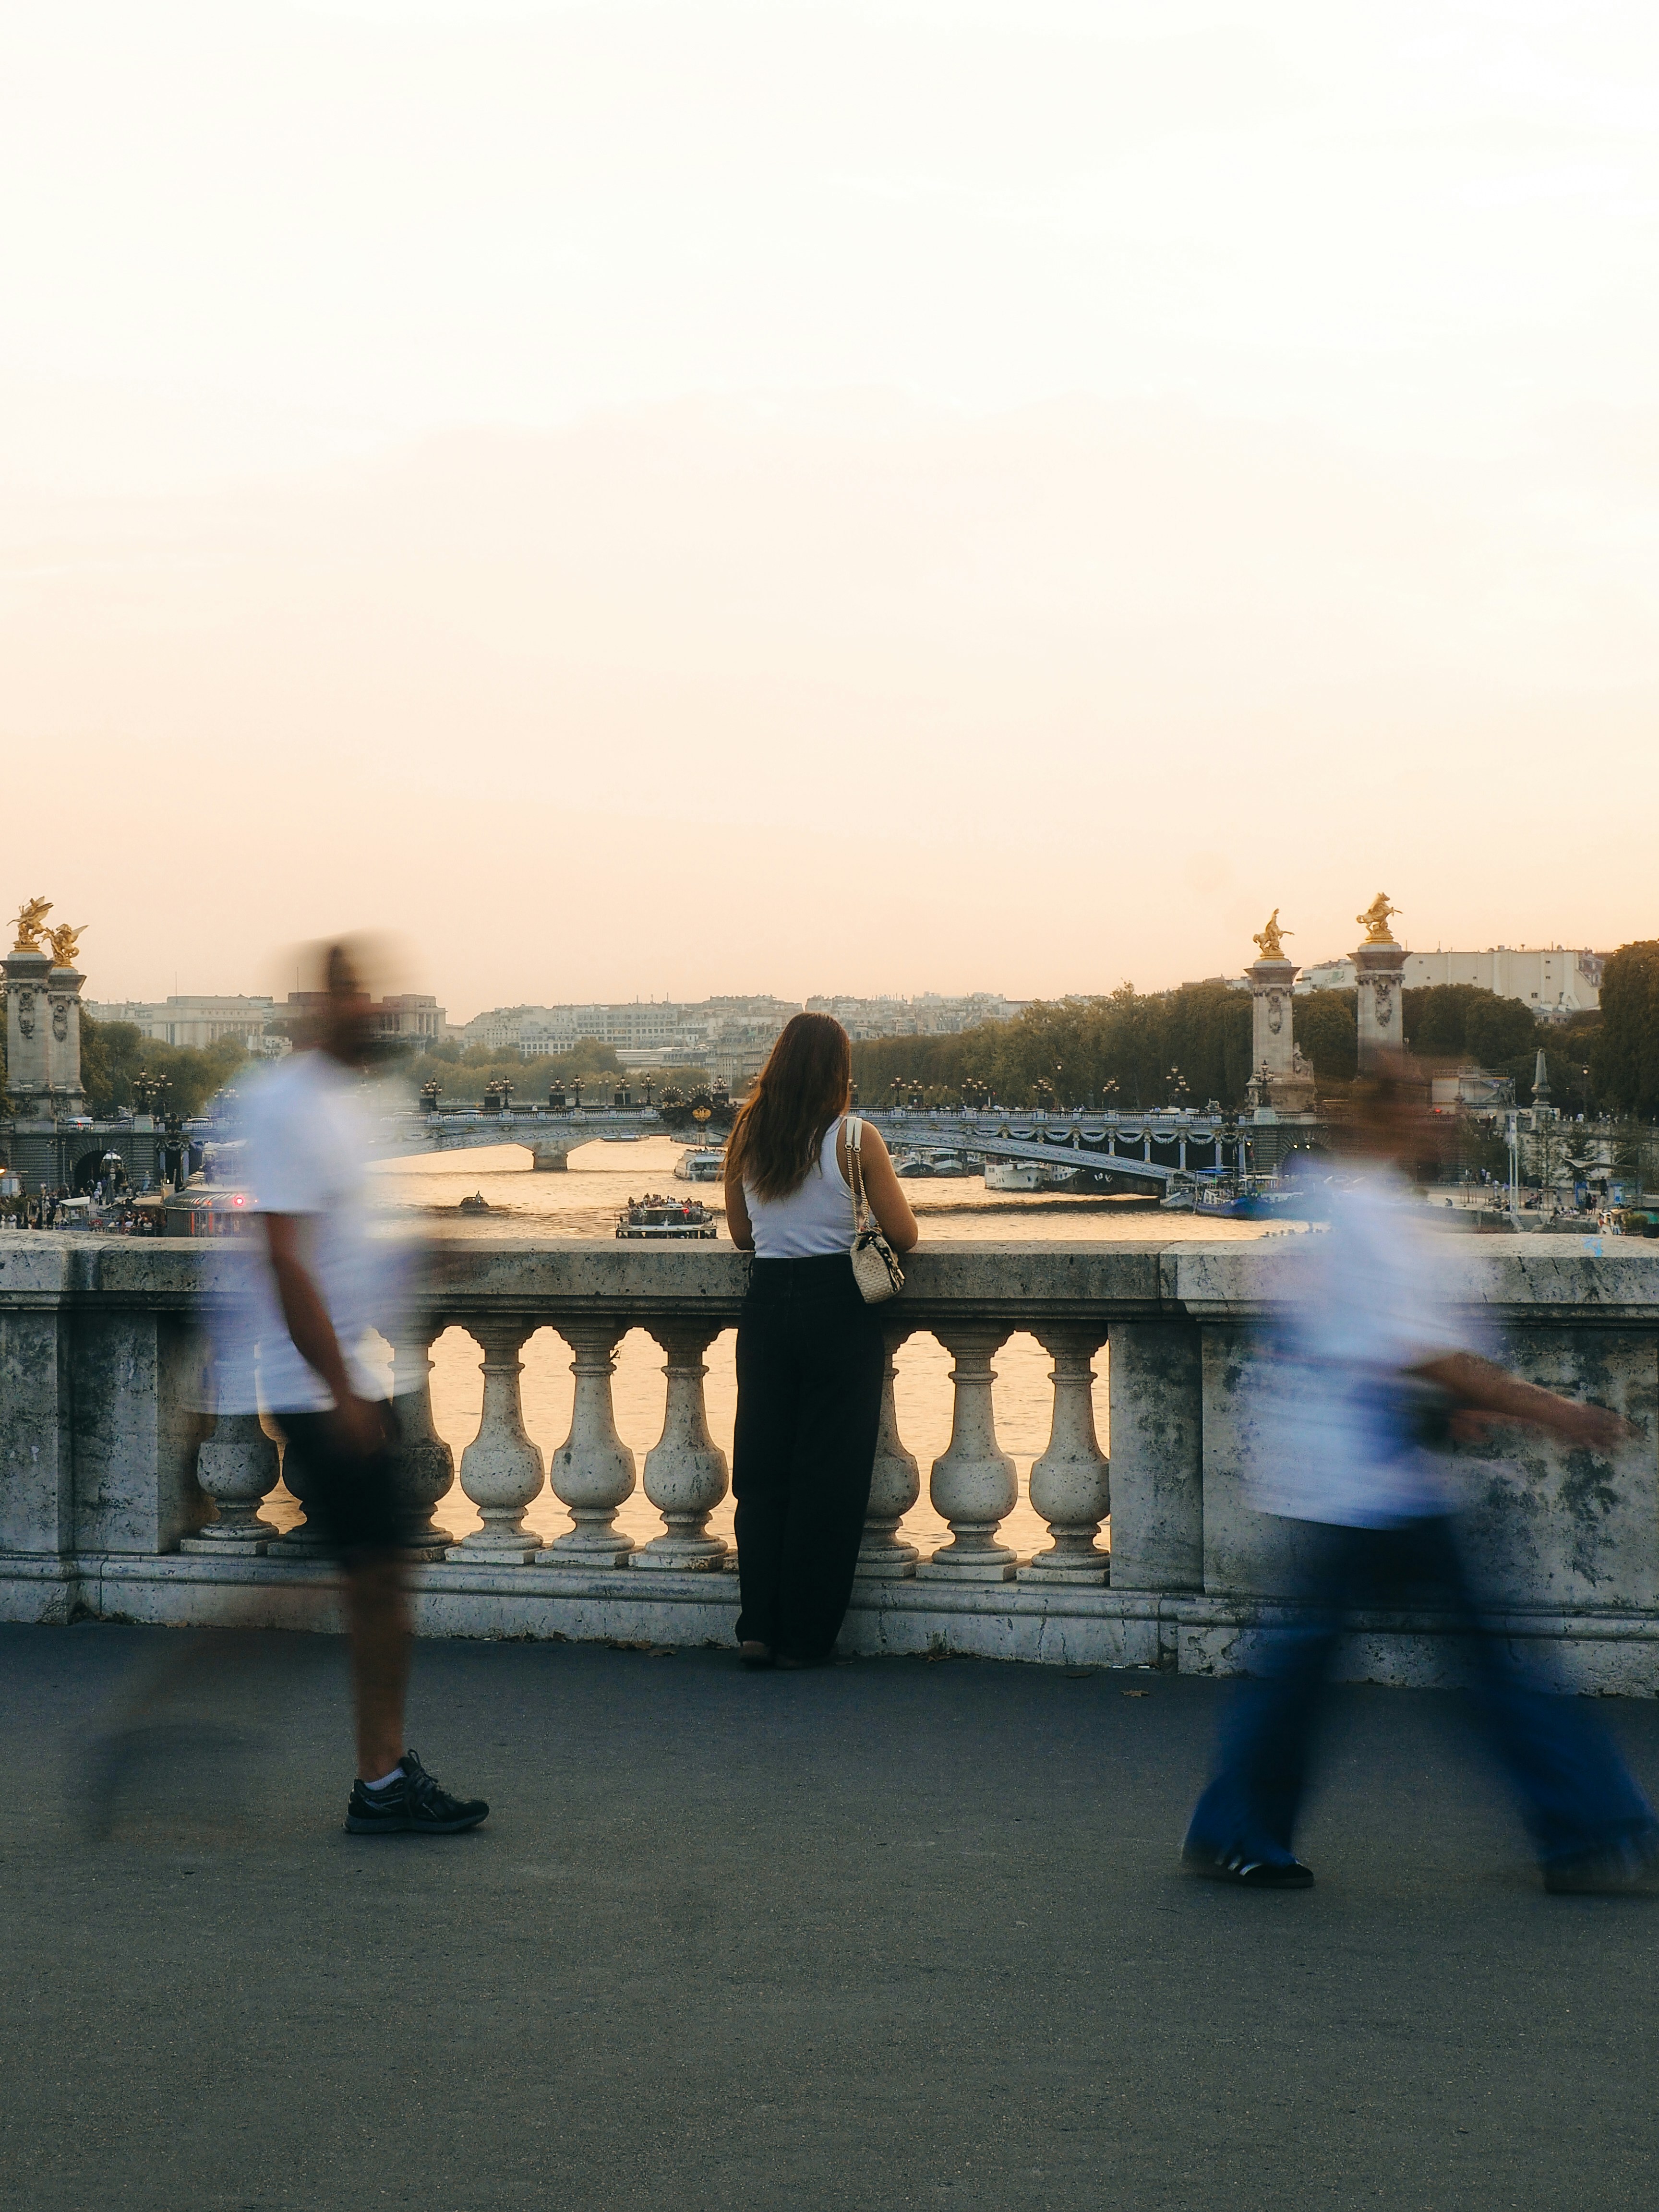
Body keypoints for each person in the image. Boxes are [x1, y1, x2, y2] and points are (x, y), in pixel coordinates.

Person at [1183, 1058, 1654, 1895]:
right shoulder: (1371, 1218)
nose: (1444, 1119)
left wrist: (1463, 1405)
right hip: (1361, 1478)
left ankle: (1236, 1828)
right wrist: (1555, 1412)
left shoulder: (1360, 1209)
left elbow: (1378, 1344)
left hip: (1376, 1470)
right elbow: (1428, 1354)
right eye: (1426, 1107)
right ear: (1384, 1121)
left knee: (1333, 1669)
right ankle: (1592, 1827)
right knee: (1488, 1666)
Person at [240, 942, 488, 1837]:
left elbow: (346, 1244)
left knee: (369, 1576)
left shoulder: (346, 1106)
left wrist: (424, 1251)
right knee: (372, 1578)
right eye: (354, 990)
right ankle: (377, 1779)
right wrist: (336, 1385)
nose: (371, 1005)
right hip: (323, 1378)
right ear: (321, 1003)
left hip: (353, 1370)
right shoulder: (286, 1106)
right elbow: (285, 1257)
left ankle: (381, 1771)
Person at [723, 1012, 918, 1670]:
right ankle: (805, 1637)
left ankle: (757, 1627)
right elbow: (906, 1234)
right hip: (839, 1308)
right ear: (839, 1072)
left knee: (762, 1472)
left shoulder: (747, 1134)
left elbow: (743, 1238)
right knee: (828, 1477)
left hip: (768, 1306)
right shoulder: (856, 1140)